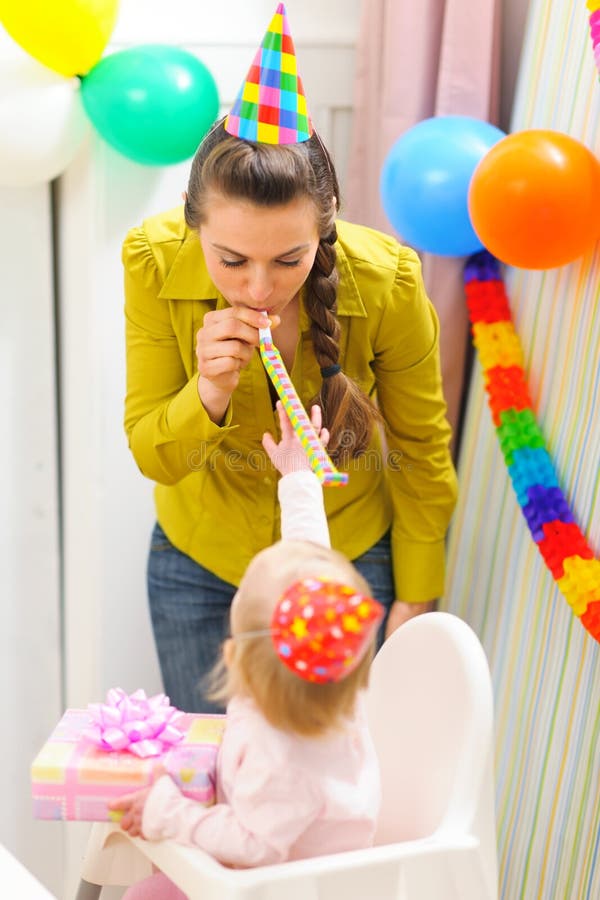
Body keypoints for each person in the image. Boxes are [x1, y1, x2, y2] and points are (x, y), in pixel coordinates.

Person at [123, 2, 458, 713]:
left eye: (288, 259)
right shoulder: (152, 261)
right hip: (200, 568)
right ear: (193, 221)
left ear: (325, 225)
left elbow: (423, 448)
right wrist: (208, 392)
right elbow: (154, 454)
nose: (258, 288)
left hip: (347, 558)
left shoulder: (388, 282)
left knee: (340, 764)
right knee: (215, 764)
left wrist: (416, 594)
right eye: (231, 259)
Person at [109, 400, 383, 898]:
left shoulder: (281, 759)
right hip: (307, 866)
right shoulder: (331, 672)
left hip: (288, 887)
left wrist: (169, 812)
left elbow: (253, 845)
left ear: (234, 658)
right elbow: (312, 559)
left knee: (142, 896)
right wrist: (298, 478)